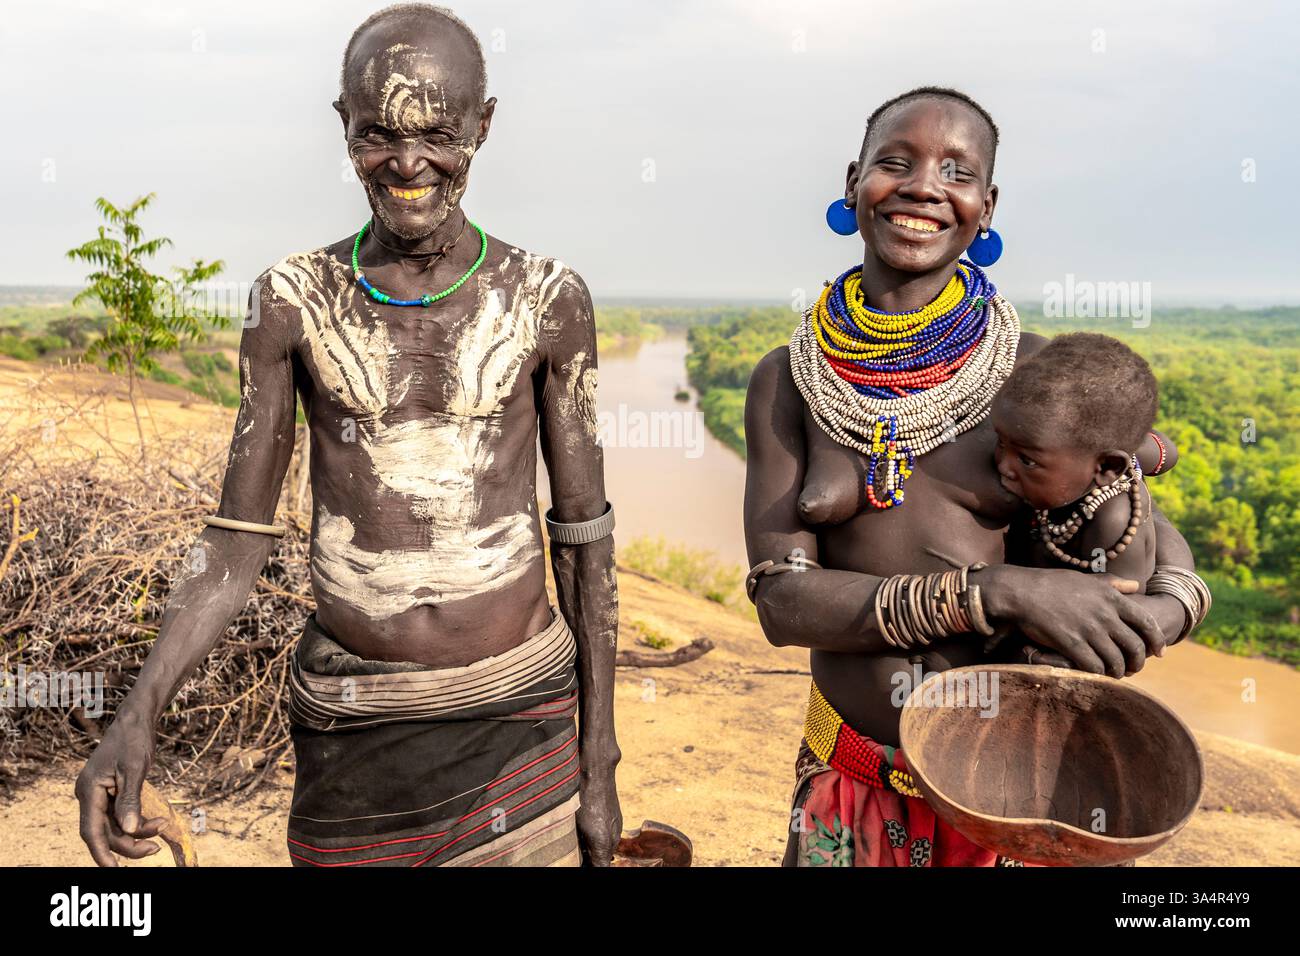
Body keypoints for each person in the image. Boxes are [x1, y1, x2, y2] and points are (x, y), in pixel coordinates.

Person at [75, 3, 622, 868]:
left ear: (484, 124)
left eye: (439, 133)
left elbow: (583, 538)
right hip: (355, 735)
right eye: (377, 136)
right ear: (343, 127)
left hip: (523, 719)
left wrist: (600, 763)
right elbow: (234, 541)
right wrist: (134, 715)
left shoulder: (548, 299)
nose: (408, 164)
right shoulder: (291, 300)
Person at [741, 86, 1211, 867]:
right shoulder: (789, 380)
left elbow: (1146, 546)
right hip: (851, 782)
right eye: (896, 163)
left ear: (985, 206)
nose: (924, 186)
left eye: (957, 173)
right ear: (854, 179)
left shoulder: (1034, 378)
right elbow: (783, 602)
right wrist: (991, 592)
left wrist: (1161, 615)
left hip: (1016, 804)